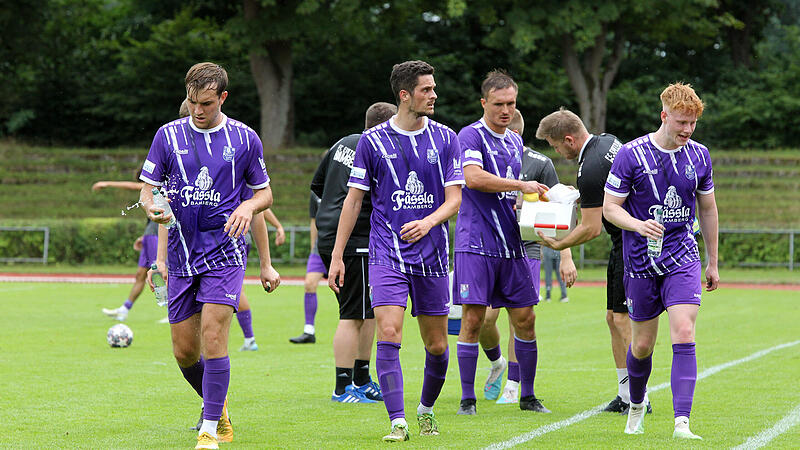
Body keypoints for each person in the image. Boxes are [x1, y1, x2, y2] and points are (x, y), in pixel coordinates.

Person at [140, 62, 280, 450]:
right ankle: (218, 404)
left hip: (226, 254)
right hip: (182, 257)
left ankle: (209, 429)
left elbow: (265, 194)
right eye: (192, 101)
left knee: (214, 336)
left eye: (205, 102)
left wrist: (249, 208)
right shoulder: (167, 136)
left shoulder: (245, 138)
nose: (198, 110)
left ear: (222, 97)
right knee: (185, 352)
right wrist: (154, 208)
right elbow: (147, 192)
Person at [328, 60, 463, 442]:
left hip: (434, 254)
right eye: (426, 90)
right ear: (405, 95)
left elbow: (455, 198)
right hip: (386, 252)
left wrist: (428, 222)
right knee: (388, 330)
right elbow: (353, 201)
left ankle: (426, 409)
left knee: (437, 345)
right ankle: (398, 422)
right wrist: (337, 256)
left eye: (434, 88)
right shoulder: (371, 142)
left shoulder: (446, 138)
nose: (434, 95)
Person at [602, 82, 719, 439]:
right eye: (681, 122)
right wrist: (638, 225)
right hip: (640, 261)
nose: (686, 130)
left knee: (684, 331)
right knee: (641, 346)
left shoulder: (700, 155)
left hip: (683, 254)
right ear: (664, 115)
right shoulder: (631, 155)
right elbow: (610, 208)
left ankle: (682, 422)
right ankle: (636, 404)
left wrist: (712, 261)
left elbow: (708, 208)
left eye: (692, 123)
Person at [535, 107, 648, 414]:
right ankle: (625, 394)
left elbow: (591, 227)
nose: (557, 152)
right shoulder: (606, 141)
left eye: (556, 146)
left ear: (569, 139)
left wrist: (559, 245)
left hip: (632, 242)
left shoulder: (591, 167)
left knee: (623, 319)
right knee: (613, 318)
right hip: (624, 241)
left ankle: (640, 396)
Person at [453, 71, 551, 416]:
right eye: (499, 104)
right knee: (473, 320)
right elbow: (473, 178)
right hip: (476, 242)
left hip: (511, 243)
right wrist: (521, 184)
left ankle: (528, 395)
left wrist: (535, 206)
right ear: (484, 103)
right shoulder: (470, 135)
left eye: (511, 103)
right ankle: (467, 399)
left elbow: (509, 193)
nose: (506, 110)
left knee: (526, 318)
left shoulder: (513, 142)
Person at [477, 109, 575, 405]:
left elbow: (558, 209)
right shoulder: (485, 156)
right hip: (491, 244)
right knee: (484, 319)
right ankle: (497, 362)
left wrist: (566, 256)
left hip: (526, 247)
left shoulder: (539, 163)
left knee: (519, 318)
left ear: (516, 135)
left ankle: (512, 385)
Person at [312, 101, 397, 403]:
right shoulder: (377, 149)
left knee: (367, 310)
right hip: (354, 238)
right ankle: (342, 386)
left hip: (330, 233)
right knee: (351, 313)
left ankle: (361, 377)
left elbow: (317, 185)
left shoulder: (341, 144)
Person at [95, 175, 159, 322]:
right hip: (150, 235)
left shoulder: (156, 186)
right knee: (140, 275)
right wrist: (144, 236)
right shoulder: (152, 192)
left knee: (160, 274)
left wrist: (107, 183)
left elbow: (133, 186)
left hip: (156, 235)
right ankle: (124, 309)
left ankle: (176, 312)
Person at [289, 193, 326, 344]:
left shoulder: (345, 181)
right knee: (309, 284)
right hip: (320, 247)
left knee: (346, 290)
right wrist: (313, 248)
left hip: (344, 246)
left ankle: (352, 326)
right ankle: (309, 331)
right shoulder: (315, 191)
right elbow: (313, 221)